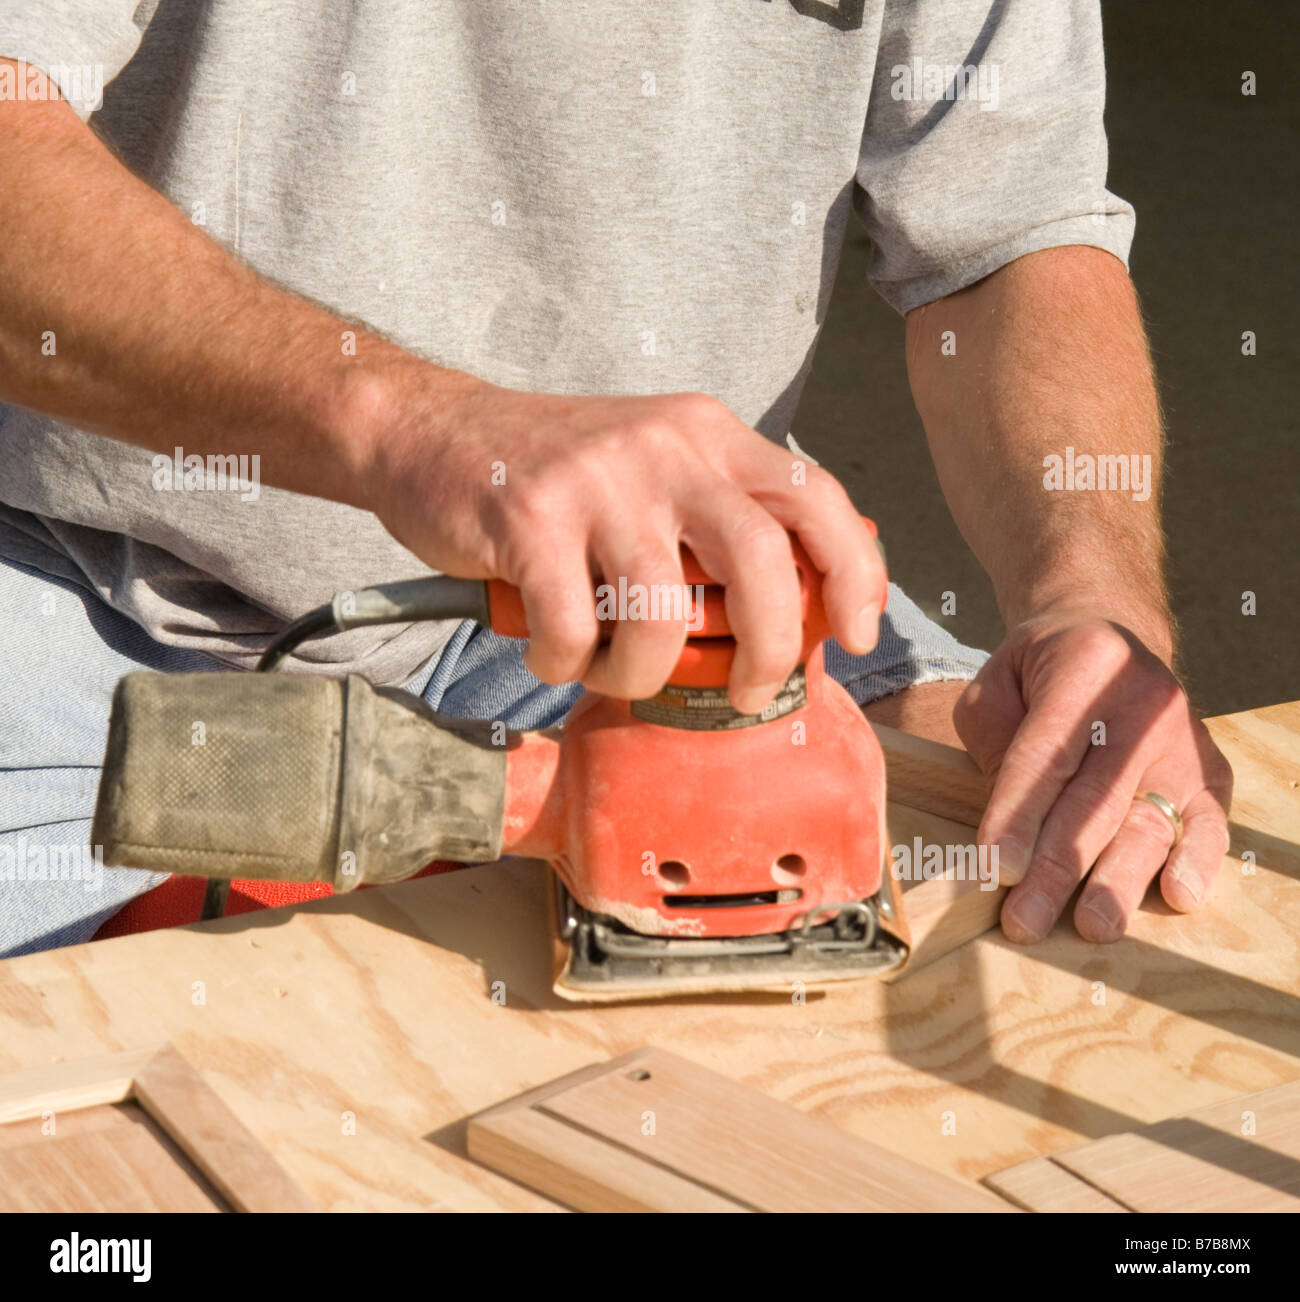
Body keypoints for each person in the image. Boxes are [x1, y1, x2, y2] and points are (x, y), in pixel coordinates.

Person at [0, 1, 1231, 957]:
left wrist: (1087, 594)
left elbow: (1005, 242)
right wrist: (419, 428)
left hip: (676, 598)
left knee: (1040, 884)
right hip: (88, 572)